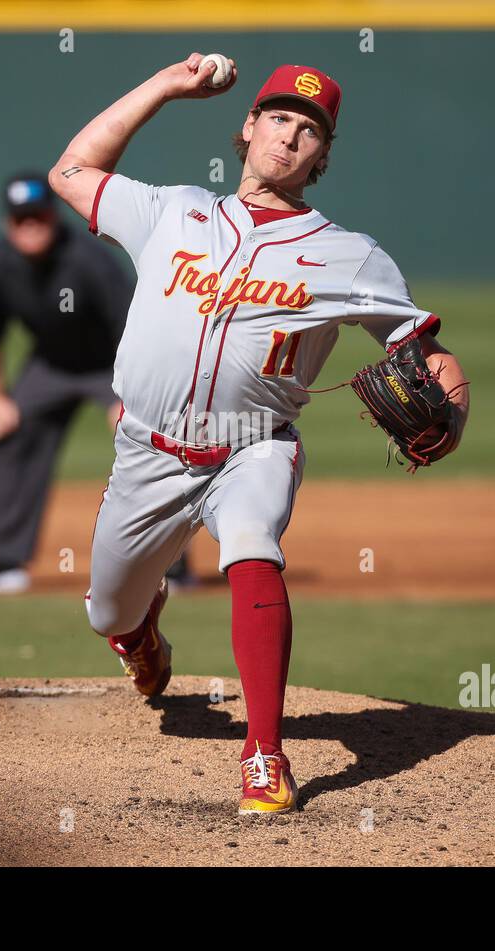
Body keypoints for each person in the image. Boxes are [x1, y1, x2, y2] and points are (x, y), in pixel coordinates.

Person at [48, 57, 470, 813]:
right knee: (106, 612)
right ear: (247, 129)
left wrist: (456, 413)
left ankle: (264, 757)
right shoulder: (173, 212)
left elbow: (424, 350)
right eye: (278, 118)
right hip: (148, 451)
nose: (290, 136)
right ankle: (140, 633)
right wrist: (164, 87)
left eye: (310, 130)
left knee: (252, 546)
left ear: (323, 157)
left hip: (255, 443)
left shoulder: (352, 256)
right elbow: (72, 170)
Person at [0, 173, 201, 593]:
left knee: (147, 439)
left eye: (38, 217)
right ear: (6, 224)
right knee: (10, 429)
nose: (30, 226)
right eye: (20, 219)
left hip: (113, 363)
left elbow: (135, 328)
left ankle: (171, 566)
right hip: (50, 365)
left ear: (53, 216)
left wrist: (128, 397)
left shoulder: (88, 260)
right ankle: (1, 561)